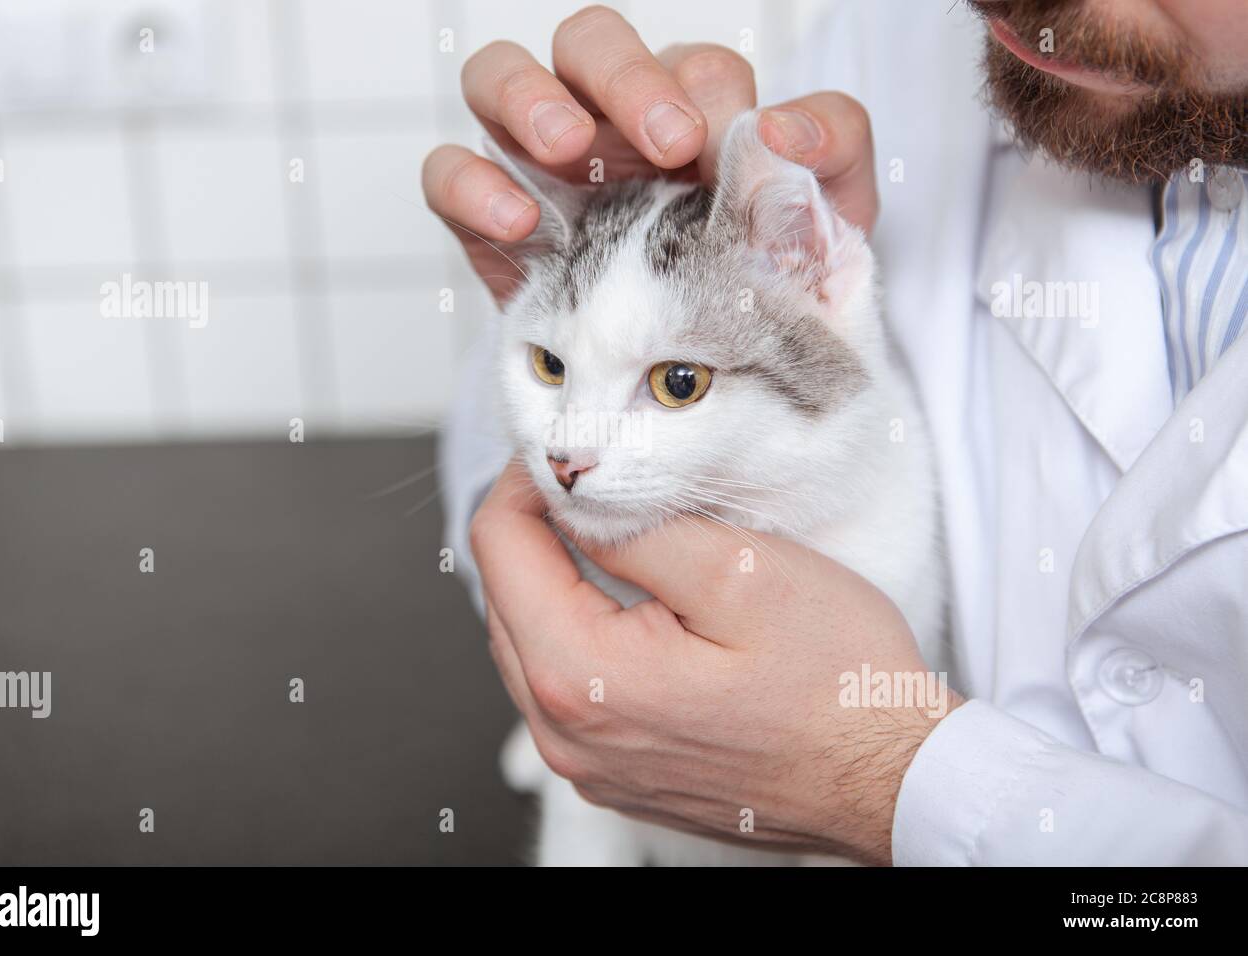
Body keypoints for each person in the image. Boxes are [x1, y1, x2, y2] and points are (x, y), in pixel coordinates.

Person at [422, 0, 1248, 864]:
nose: (570, 458)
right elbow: (546, 381)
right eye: (553, 374)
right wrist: (558, 645)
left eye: (676, 383)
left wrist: (892, 782)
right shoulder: (909, 32)